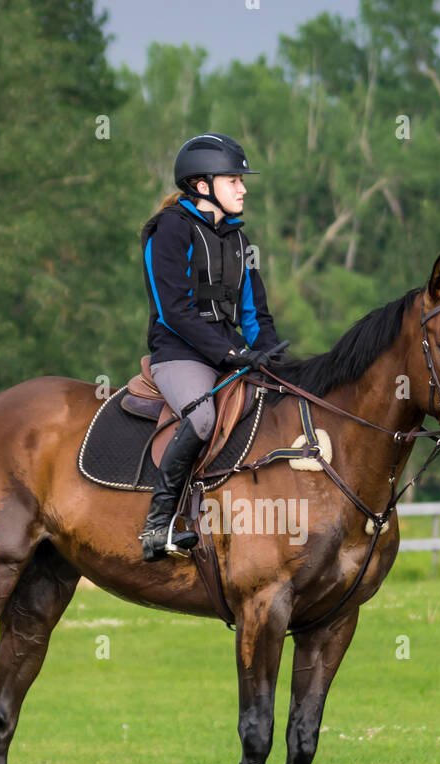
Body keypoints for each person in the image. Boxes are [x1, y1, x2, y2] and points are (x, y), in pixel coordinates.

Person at [138, 132, 287, 561]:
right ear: (202, 186)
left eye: (242, 181)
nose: (243, 187)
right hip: (180, 354)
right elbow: (174, 312)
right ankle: (158, 525)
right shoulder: (168, 230)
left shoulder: (240, 241)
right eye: (233, 180)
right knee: (202, 418)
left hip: (227, 354)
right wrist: (234, 354)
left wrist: (272, 357)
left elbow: (255, 314)